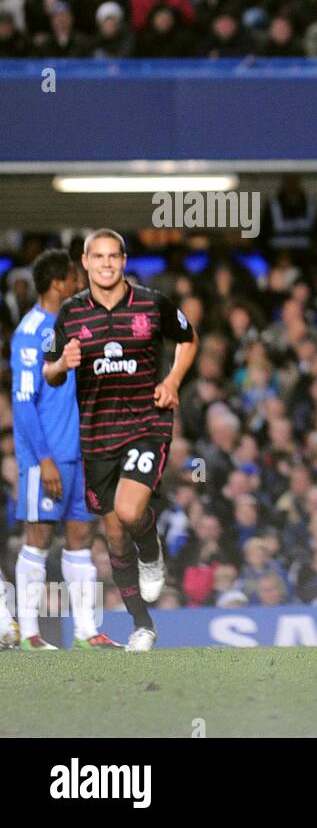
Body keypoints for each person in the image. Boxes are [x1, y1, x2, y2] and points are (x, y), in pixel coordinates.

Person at [44, 229, 199, 652]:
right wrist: (62, 363)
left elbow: (188, 339)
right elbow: (48, 371)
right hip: (97, 437)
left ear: (124, 260)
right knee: (113, 537)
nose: (107, 264)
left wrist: (172, 379)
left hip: (147, 424)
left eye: (114, 256)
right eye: (99, 257)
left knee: (131, 512)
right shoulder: (71, 313)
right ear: (86, 262)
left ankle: (152, 551)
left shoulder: (152, 303)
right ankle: (142, 625)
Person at [9, 251, 120, 649]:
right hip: (49, 457)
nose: (80, 283)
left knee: (82, 538)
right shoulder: (30, 332)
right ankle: (30, 634)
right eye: (75, 278)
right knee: (37, 537)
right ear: (58, 283)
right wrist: (44, 459)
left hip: (81, 453)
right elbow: (23, 402)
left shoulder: (75, 325)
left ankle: (87, 632)